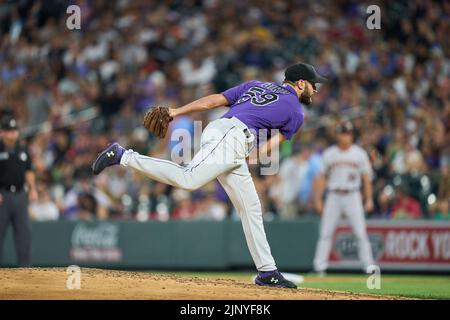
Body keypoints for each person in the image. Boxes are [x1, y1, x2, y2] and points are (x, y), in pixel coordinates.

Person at [92, 62, 327, 288]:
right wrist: (253, 154)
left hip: (226, 135)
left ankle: (267, 272)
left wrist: (176, 111)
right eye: (313, 84)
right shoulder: (296, 109)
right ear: (300, 83)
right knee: (189, 179)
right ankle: (123, 155)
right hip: (232, 139)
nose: (316, 88)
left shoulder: (256, 85)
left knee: (251, 208)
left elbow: (214, 100)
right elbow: (276, 141)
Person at [312, 122, 374, 275]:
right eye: (343, 133)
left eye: (348, 133)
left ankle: (369, 267)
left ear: (352, 135)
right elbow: (321, 178)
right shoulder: (329, 153)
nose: (346, 136)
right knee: (325, 233)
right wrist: (318, 200)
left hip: (353, 195)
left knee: (360, 233)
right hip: (333, 195)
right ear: (338, 135)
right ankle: (319, 267)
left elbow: (366, 179)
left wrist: (369, 198)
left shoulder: (359, 154)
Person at [0, 116, 38, 267]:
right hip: (3, 196)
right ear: (2, 132)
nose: (12, 134)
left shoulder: (23, 149)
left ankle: (25, 271)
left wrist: (33, 189)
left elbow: (29, 171)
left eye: (14, 130)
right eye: (9, 131)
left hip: (21, 195)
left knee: (24, 235)